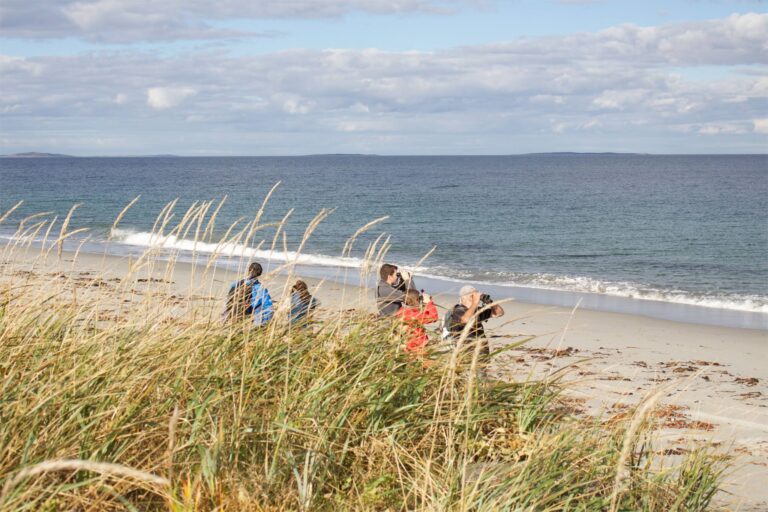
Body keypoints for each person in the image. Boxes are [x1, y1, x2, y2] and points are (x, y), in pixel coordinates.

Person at [447, 285, 504, 357]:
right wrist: (475, 303)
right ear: (463, 297)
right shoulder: (457, 310)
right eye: (471, 295)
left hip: (481, 353)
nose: (474, 298)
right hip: (465, 354)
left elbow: (499, 313)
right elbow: (466, 320)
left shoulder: (477, 310)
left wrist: (490, 302)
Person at [225, 262, 273, 326]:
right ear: (260, 274)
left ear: (248, 270)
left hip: (231, 316)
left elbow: (228, 299)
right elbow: (268, 306)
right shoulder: (260, 288)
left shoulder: (236, 284)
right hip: (249, 320)